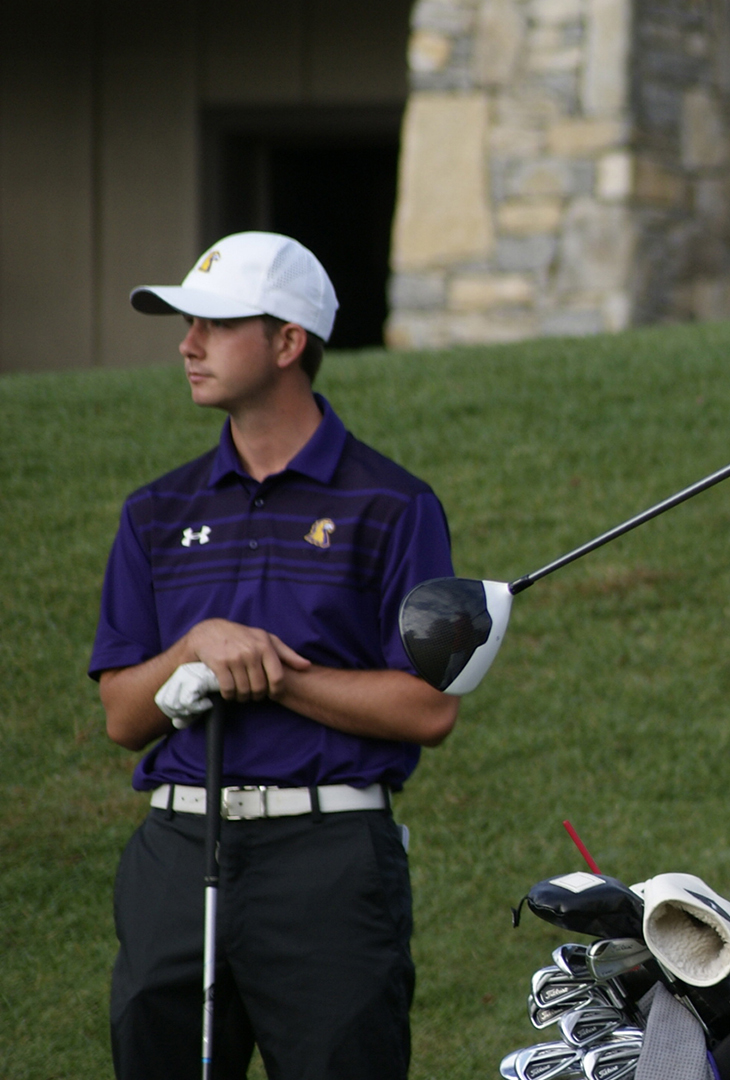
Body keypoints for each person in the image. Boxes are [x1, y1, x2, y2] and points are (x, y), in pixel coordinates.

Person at [90, 231, 460, 1080]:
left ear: (289, 343)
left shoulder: (395, 506)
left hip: (329, 863)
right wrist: (195, 646)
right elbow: (121, 715)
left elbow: (429, 708)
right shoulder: (154, 512)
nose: (187, 345)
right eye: (187, 324)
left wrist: (276, 673)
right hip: (177, 852)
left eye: (214, 325)